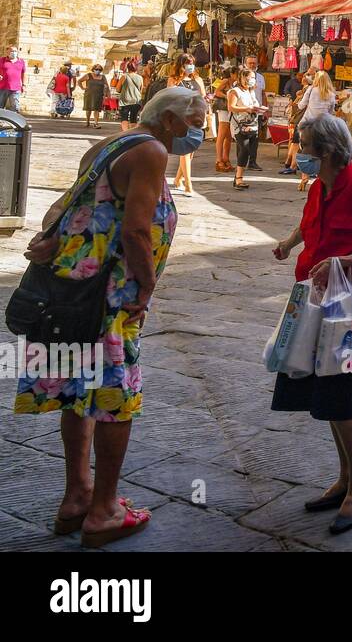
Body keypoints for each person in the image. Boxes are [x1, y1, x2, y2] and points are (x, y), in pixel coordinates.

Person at [13, 85, 201, 547]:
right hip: (110, 297)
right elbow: (137, 230)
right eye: (194, 124)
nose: (196, 133)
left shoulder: (106, 145)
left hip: (71, 289)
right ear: (171, 120)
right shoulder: (152, 152)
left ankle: (77, 494)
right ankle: (105, 510)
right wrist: (148, 284)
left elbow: (62, 209)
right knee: (115, 398)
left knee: (79, 391)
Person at [271, 115, 352, 536]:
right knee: (324, 393)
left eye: (304, 145)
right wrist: (290, 244)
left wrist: (346, 260)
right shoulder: (318, 186)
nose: (299, 152)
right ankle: (344, 479)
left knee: (342, 393)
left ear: (324, 151)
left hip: (346, 307)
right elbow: (309, 225)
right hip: (311, 299)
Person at [166, 56, 205, 196]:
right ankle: (188, 185)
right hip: (181, 118)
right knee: (185, 151)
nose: (191, 66)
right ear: (181, 65)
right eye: (188, 64)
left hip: (196, 117)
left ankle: (177, 180)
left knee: (191, 151)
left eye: (192, 63)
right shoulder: (174, 80)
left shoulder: (198, 80)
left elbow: (203, 96)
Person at [227, 68, 266, 190]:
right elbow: (231, 107)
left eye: (253, 78)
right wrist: (246, 109)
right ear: (242, 78)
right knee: (244, 149)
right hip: (239, 125)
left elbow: (254, 104)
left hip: (252, 124)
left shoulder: (251, 91)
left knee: (244, 150)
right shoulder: (235, 91)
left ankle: (238, 177)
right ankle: (239, 179)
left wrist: (258, 109)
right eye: (249, 77)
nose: (252, 80)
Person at [243, 54, 267, 171]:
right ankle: (241, 162)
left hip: (257, 111)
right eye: (250, 63)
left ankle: (252, 162)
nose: (252, 65)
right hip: (244, 111)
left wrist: (265, 110)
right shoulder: (241, 77)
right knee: (244, 139)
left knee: (255, 138)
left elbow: (263, 94)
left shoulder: (261, 78)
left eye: (254, 63)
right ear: (245, 64)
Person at [211, 67, 236, 172]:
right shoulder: (226, 81)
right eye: (237, 74)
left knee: (228, 136)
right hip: (223, 109)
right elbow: (217, 92)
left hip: (229, 109)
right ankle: (219, 160)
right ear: (232, 74)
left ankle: (226, 159)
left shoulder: (234, 83)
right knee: (221, 135)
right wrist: (227, 96)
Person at [78, 63, 108, 129]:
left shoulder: (103, 77)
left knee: (97, 109)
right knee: (88, 108)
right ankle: (87, 122)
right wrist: (83, 88)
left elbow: (106, 85)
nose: (98, 70)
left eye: (99, 69)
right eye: (96, 69)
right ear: (93, 69)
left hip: (99, 95)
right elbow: (79, 81)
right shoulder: (88, 75)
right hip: (89, 94)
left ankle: (96, 123)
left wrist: (106, 94)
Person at [116, 62, 144, 132]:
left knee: (124, 117)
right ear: (136, 68)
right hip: (136, 101)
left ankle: (125, 133)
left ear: (127, 68)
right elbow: (141, 90)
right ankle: (131, 133)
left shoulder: (124, 76)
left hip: (125, 101)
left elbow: (117, 89)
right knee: (133, 117)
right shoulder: (140, 77)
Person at [0, 43, 25, 111]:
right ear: (7, 52)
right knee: (0, 106)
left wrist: (23, 85)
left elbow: (23, 73)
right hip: (3, 87)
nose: (13, 53)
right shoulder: (2, 60)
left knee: (15, 106)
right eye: (11, 51)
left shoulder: (21, 61)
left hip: (16, 88)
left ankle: (13, 121)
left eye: (15, 51)